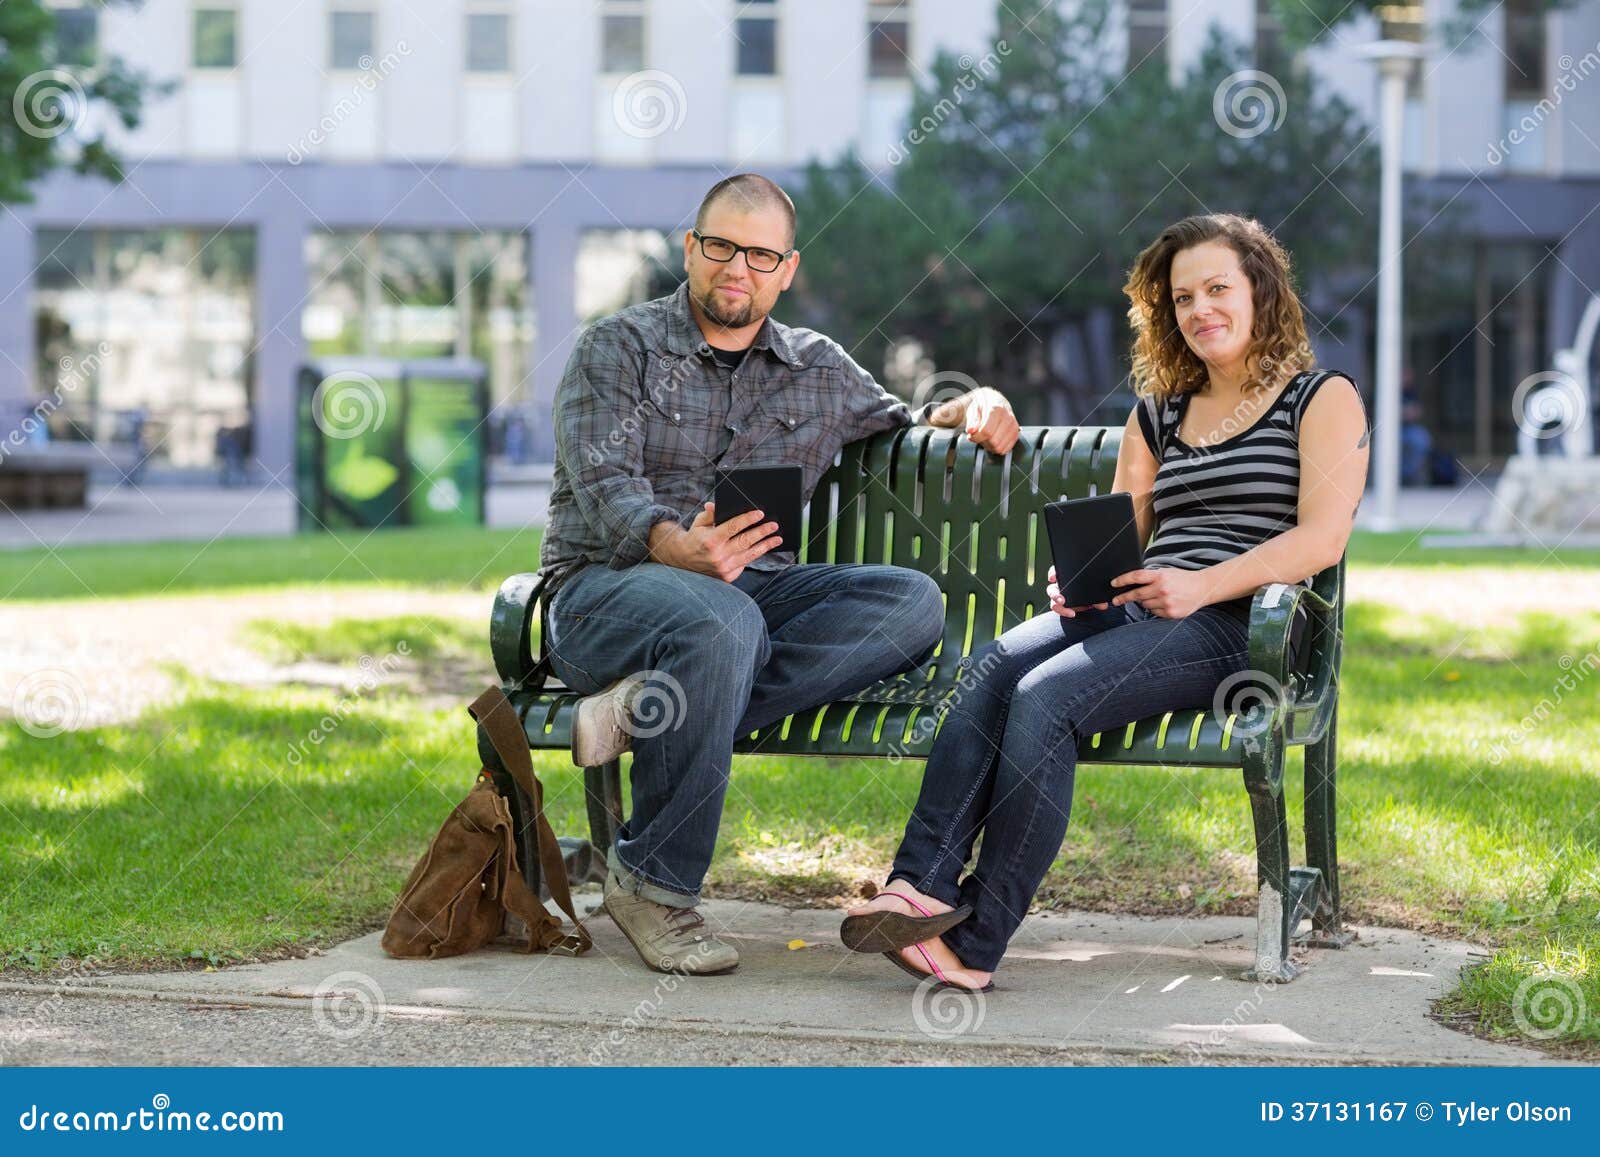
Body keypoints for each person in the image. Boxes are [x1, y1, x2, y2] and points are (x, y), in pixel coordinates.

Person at [842, 213, 1370, 992]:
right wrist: (1088, 580)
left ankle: (977, 943)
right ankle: (918, 886)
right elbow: (1128, 531)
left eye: (1218, 288)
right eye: (1183, 296)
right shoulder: (1158, 411)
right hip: (1148, 609)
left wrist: (1199, 584)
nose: (1200, 309)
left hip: (1245, 630)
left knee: (1047, 697)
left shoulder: (1321, 398)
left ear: (1260, 292)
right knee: (993, 665)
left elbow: (1321, 540)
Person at [540, 174, 1020, 976]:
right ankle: (654, 884)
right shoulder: (616, 348)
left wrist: (975, 403)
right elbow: (603, 487)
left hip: (746, 601)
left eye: (760, 255)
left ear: (786, 269)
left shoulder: (817, 368)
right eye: (722, 247)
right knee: (721, 622)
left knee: (909, 603)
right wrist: (673, 544)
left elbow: (907, 419)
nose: (739, 268)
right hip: (606, 593)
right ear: (693, 249)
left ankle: (649, 709)